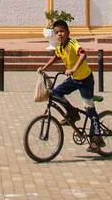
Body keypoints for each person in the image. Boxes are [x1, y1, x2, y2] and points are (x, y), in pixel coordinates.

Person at [37, 20, 103, 152]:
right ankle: (72, 113)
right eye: (57, 32)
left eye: (62, 31)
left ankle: (97, 136)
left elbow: (83, 55)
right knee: (55, 93)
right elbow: (56, 57)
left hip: (85, 80)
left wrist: (73, 69)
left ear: (68, 32)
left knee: (89, 108)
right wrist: (44, 67)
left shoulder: (73, 43)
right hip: (74, 79)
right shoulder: (60, 47)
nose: (59, 34)